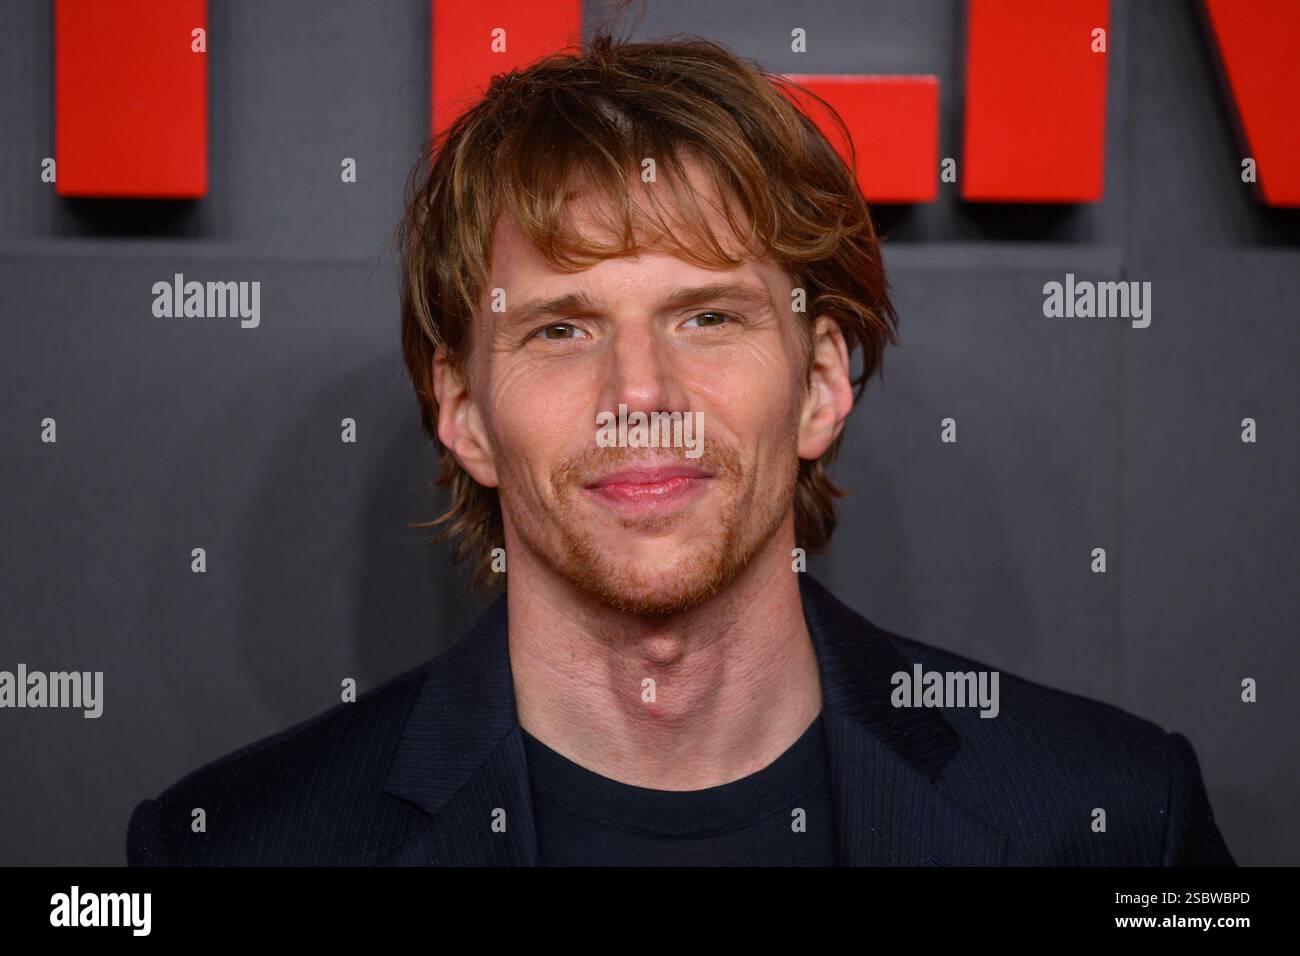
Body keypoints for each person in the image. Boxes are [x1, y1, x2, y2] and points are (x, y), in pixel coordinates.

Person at [126, 33, 1234, 866]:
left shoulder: (1115, 817)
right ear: (463, 412)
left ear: (821, 382)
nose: (640, 395)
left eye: (708, 316)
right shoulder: (236, 846)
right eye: (561, 328)